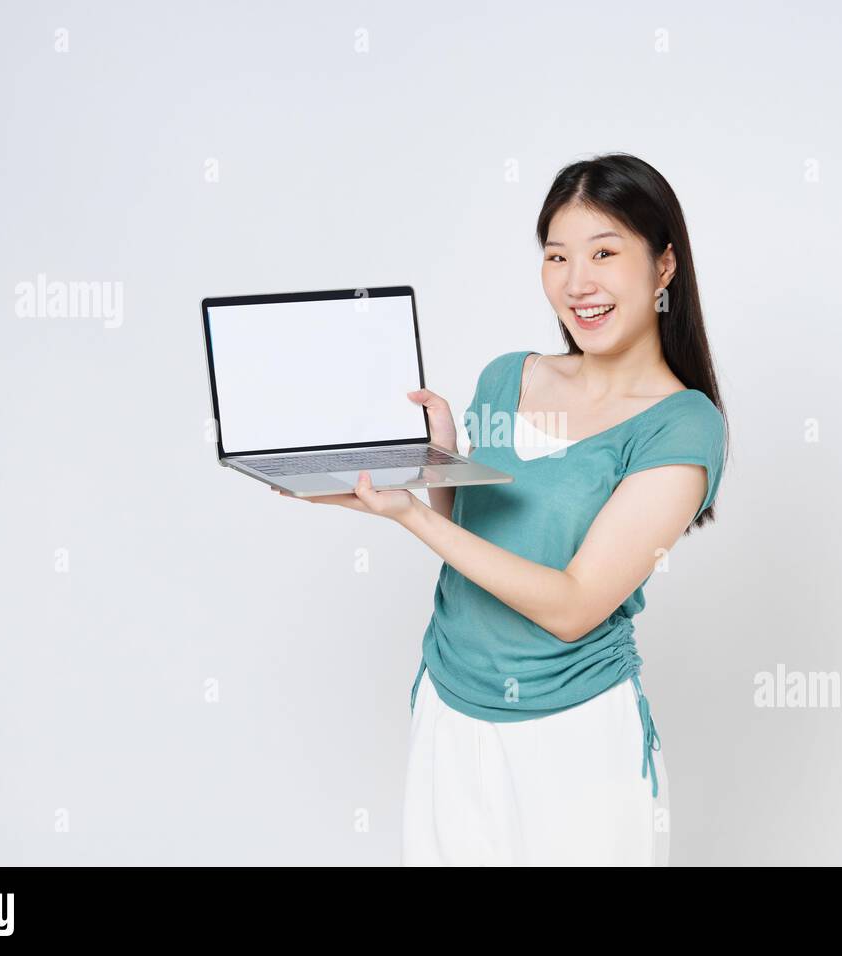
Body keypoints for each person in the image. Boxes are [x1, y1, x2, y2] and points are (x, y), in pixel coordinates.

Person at [274, 153, 728, 865]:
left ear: (663, 266)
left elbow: (574, 604)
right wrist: (433, 471)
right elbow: (475, 539)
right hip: (449, 710)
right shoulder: (507, 377)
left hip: (574, 737)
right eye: (557, 257)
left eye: (604, 253)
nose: (578, 284)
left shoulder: (682, 425)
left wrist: (413, 516)